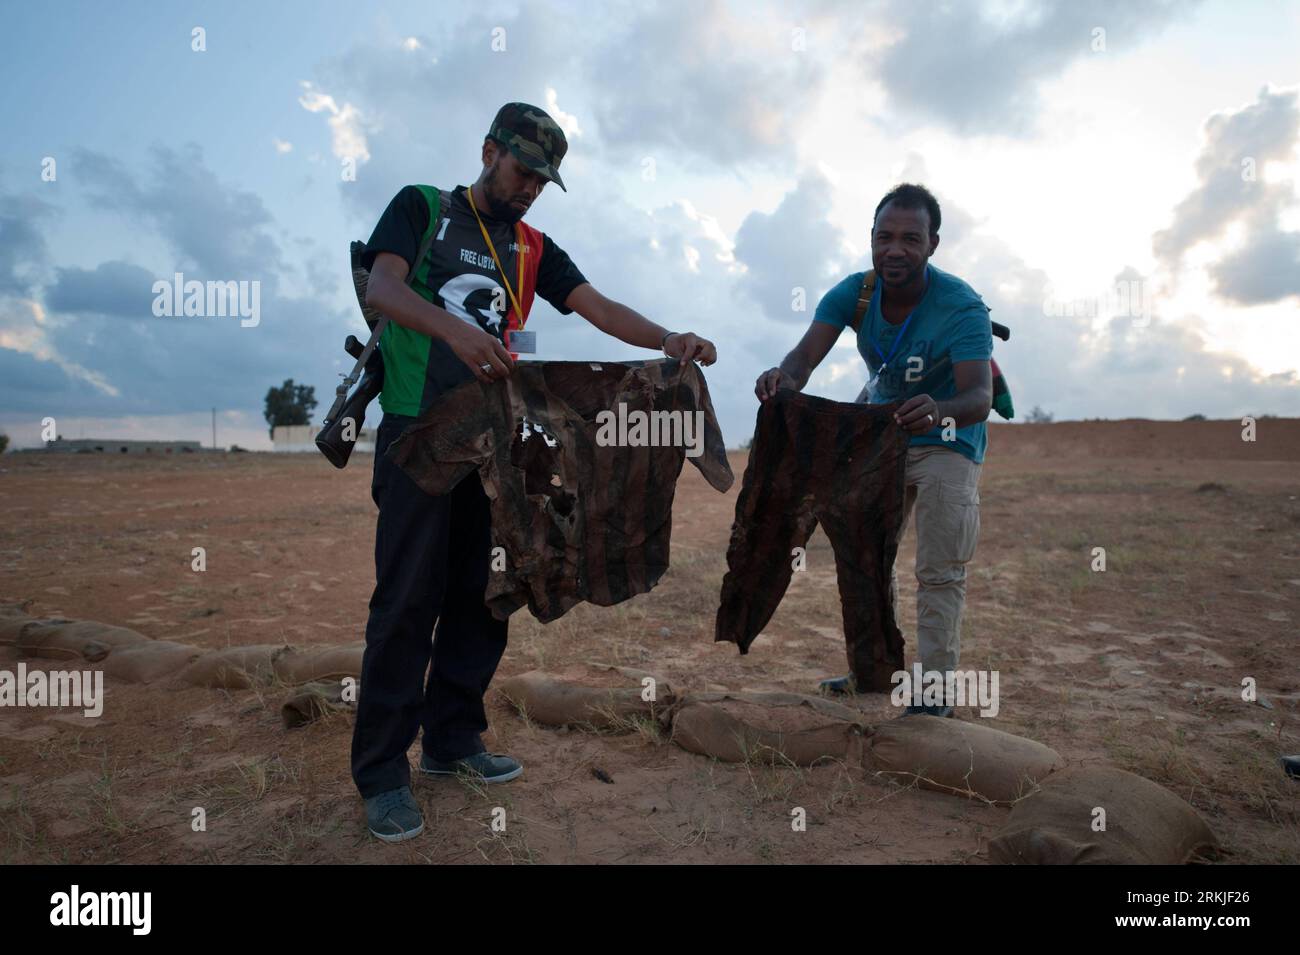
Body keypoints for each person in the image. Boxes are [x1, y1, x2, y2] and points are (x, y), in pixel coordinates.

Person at [355, 102, 717, 842]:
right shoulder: (421, 208)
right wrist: (454, 328)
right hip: (418, 439)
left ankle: (453, 742)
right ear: (489, 150)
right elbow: (382, 290)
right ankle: (383, 773)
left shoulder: (532, 246)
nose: (529, 189)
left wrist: (669, 336)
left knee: (487, 593)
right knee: (405, 603)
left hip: (500, 450)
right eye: (522, 170)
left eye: (543, 181)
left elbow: (598, 308)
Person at [754, 183, 992, 716]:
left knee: (939, 569)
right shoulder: (854, 293)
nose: (895, 249)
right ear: (871, 240)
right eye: (885, 236)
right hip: (882, 439)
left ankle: (934, 696)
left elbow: (979, 395)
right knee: (867, 561)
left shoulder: (962, 305)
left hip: (948, 440)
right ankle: (874, 673)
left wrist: (939, 409)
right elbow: (804, 357)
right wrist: (781, 380)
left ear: (933, 244)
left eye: (911, 238)